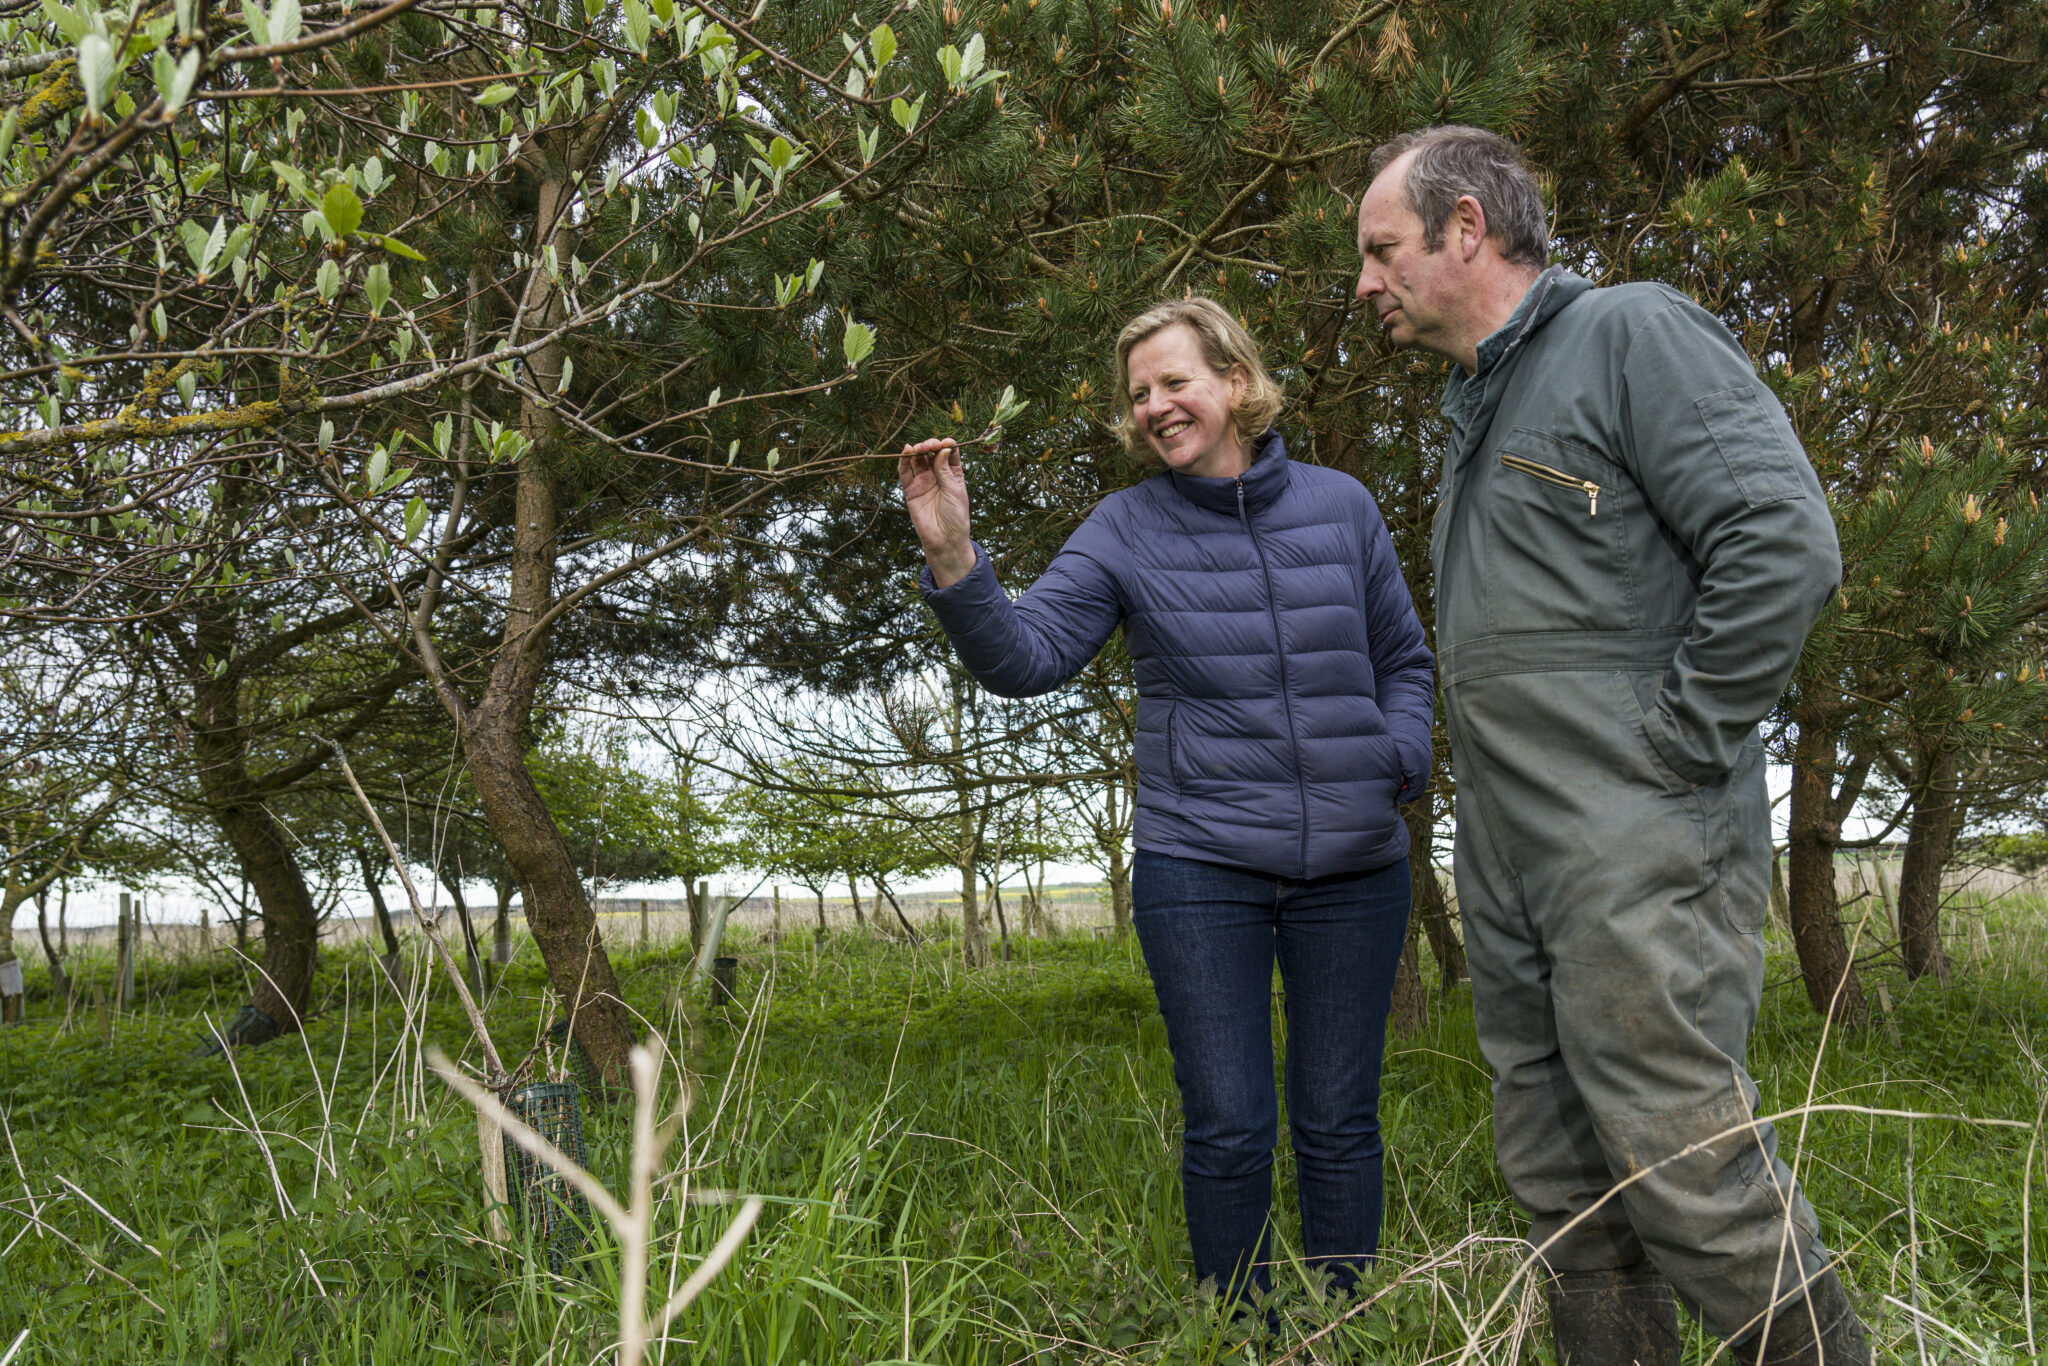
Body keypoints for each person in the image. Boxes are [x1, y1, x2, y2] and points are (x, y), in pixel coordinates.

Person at [1352, 125, 1871, 1365]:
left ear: (1463, 228)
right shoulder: (1479, 405)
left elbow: (1780, 542)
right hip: (1512, 851)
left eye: (1378, 250)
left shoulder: (1625, 334)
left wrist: (1673, 743)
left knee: (1679, 1150)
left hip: (1635, 835)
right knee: (1557, 1166)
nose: (1363, 283)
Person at [899, 297, 1436, 1307]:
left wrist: (1397, 758)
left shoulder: (1343, 506)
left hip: (1356, 864)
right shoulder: (1125, 527)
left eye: (1173, 381)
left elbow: (1402, 658)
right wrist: (954, 557)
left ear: (1234, 379)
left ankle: (1344, 1324)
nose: (1153, 405)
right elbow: (1026, 660)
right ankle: (1239, 1329)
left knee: (1339, 1117)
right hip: (1201, 865)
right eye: (1138, 392)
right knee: (1230, 1122)